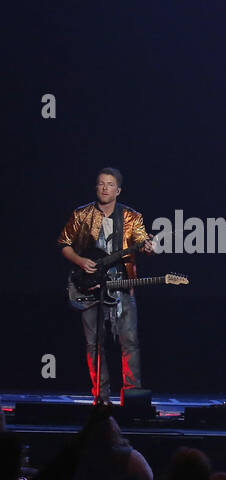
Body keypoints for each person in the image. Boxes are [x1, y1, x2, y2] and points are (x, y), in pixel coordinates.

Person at [57, 168, 156, 404]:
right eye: (101, 184)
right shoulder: (82, 214)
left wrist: (147, 247)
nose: (105, 188)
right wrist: (81, 261)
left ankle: (132, 395)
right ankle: (100, 396)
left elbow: (142, 240)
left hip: (121, 284)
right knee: (94, 343)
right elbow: (64, 244)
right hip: (90, 286)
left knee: (129, 341)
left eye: (110, 184)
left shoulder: (133, 217)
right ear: (96, 187)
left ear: (118, 190)